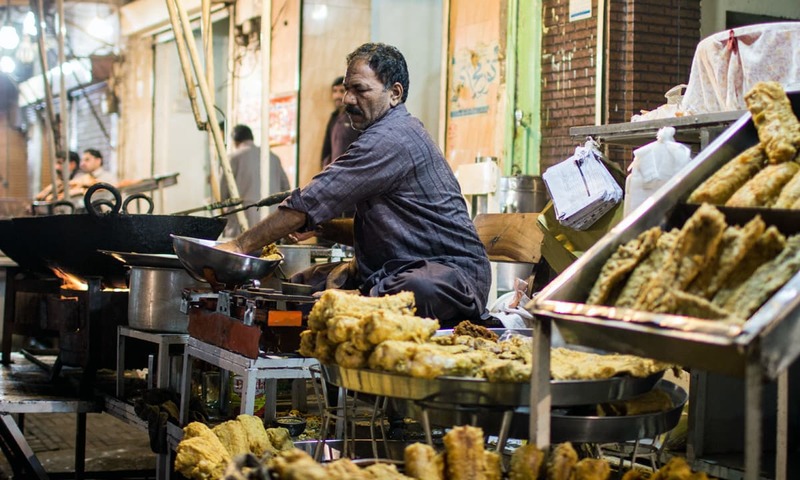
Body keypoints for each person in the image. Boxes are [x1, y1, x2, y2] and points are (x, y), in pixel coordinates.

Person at [220, 43, 491, 327]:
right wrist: (322, 227)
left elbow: (310, 201)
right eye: (347, 89)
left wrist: (239, 245)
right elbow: (387, 230)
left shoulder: (391, 138)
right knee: (302, 283)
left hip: (454, 281)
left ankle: (361, 299)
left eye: (360, 90)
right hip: (397, 269)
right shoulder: (384, 132)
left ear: (395, 93)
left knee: (415, 288)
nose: (347, 99)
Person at [220, 124, 291, 237]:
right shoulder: (273, 157)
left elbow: (224, 190)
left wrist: (224, 207)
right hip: (271, 219)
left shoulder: (233, 158)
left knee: (240, 246)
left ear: (235, 142)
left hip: (242, 218)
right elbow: (286, 188)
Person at [320, 76, 361, 170]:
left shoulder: (356, 117)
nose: (337, 96)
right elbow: (326, 149)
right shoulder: (333, 118)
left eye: (342, 91)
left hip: (351, 171)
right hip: (333, 172)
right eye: (335, 91)